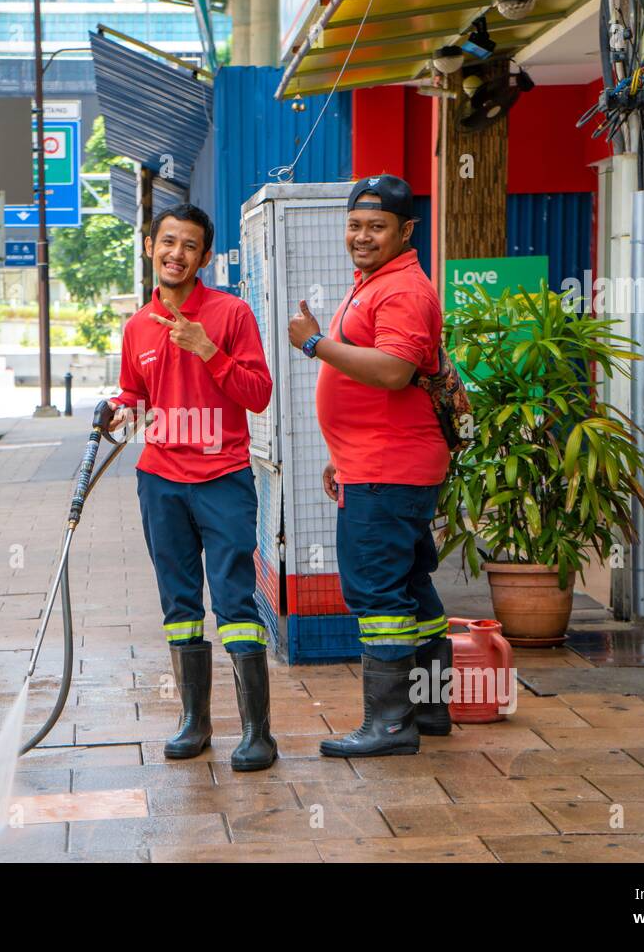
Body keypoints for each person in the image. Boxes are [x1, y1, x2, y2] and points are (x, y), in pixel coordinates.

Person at [287, 175, 452, 757]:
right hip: (380, 466)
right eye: (354, 225)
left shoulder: (402, 289)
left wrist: (313, 344)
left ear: (406, 231)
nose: (361, 235)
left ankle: (388, 725)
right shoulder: (378, 283)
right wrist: (341, 456)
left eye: (376, 226)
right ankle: (430, 709)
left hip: (387, 471)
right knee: (410, 588)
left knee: (377, 596)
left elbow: (391, 372)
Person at [109, 203, 278, 772]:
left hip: (223, 477)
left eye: (188, 246)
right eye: (167, 242)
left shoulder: (230, 315)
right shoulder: (137, 327)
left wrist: (208, 348)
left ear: (205, 257)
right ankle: (194, 722)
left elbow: (258, 393)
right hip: (159, 480)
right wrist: (119, 411)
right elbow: (135, 396)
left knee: (234, 599)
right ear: (151, 246)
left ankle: (257, 733)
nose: (175, 253)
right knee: (179, 605)